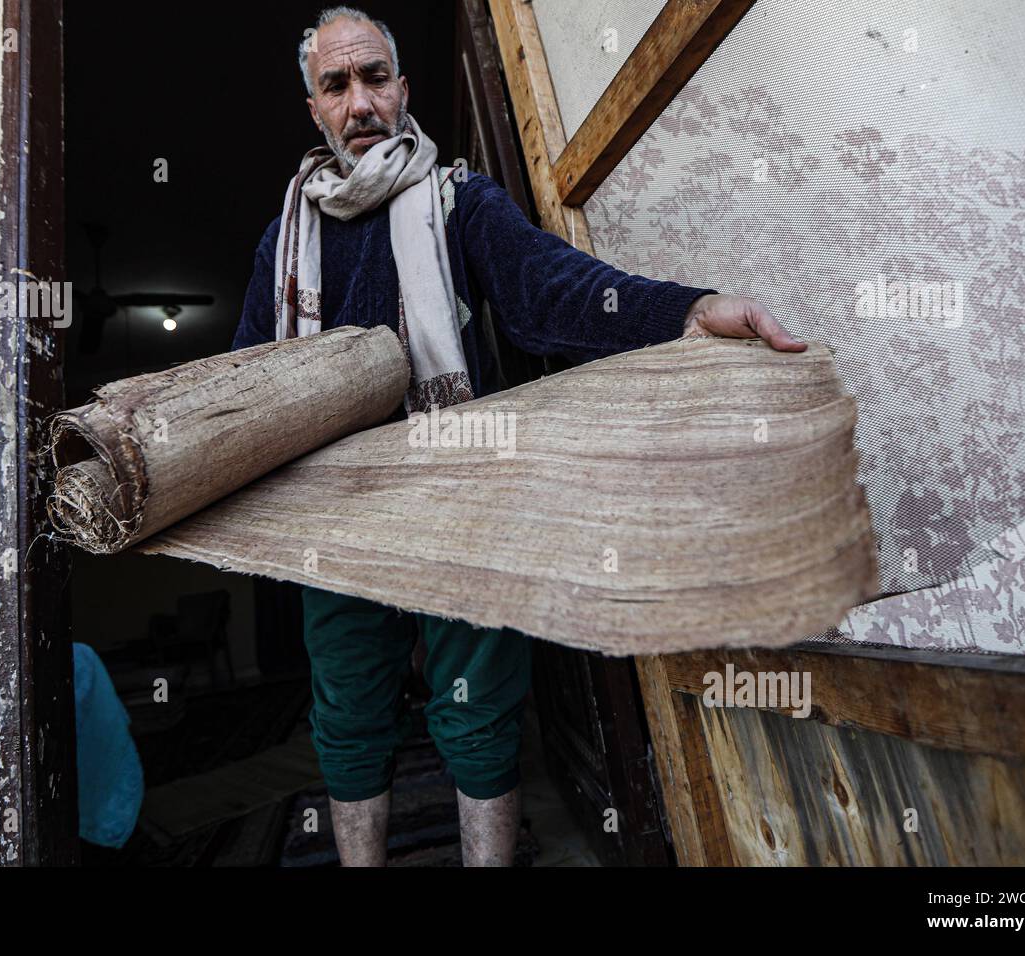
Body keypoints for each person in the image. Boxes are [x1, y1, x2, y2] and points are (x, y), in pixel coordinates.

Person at [232, 5, 806, 866]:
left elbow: (552, 290)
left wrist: (688, 309)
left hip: (468, 498)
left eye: (375, 78)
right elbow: (250, 378)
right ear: (314, 107)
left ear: (404, 88)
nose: (360, 102)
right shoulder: (286, 241)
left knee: (480, 703)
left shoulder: (461, 202)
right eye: (336, 85)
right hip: (339, 523)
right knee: (350, 709)